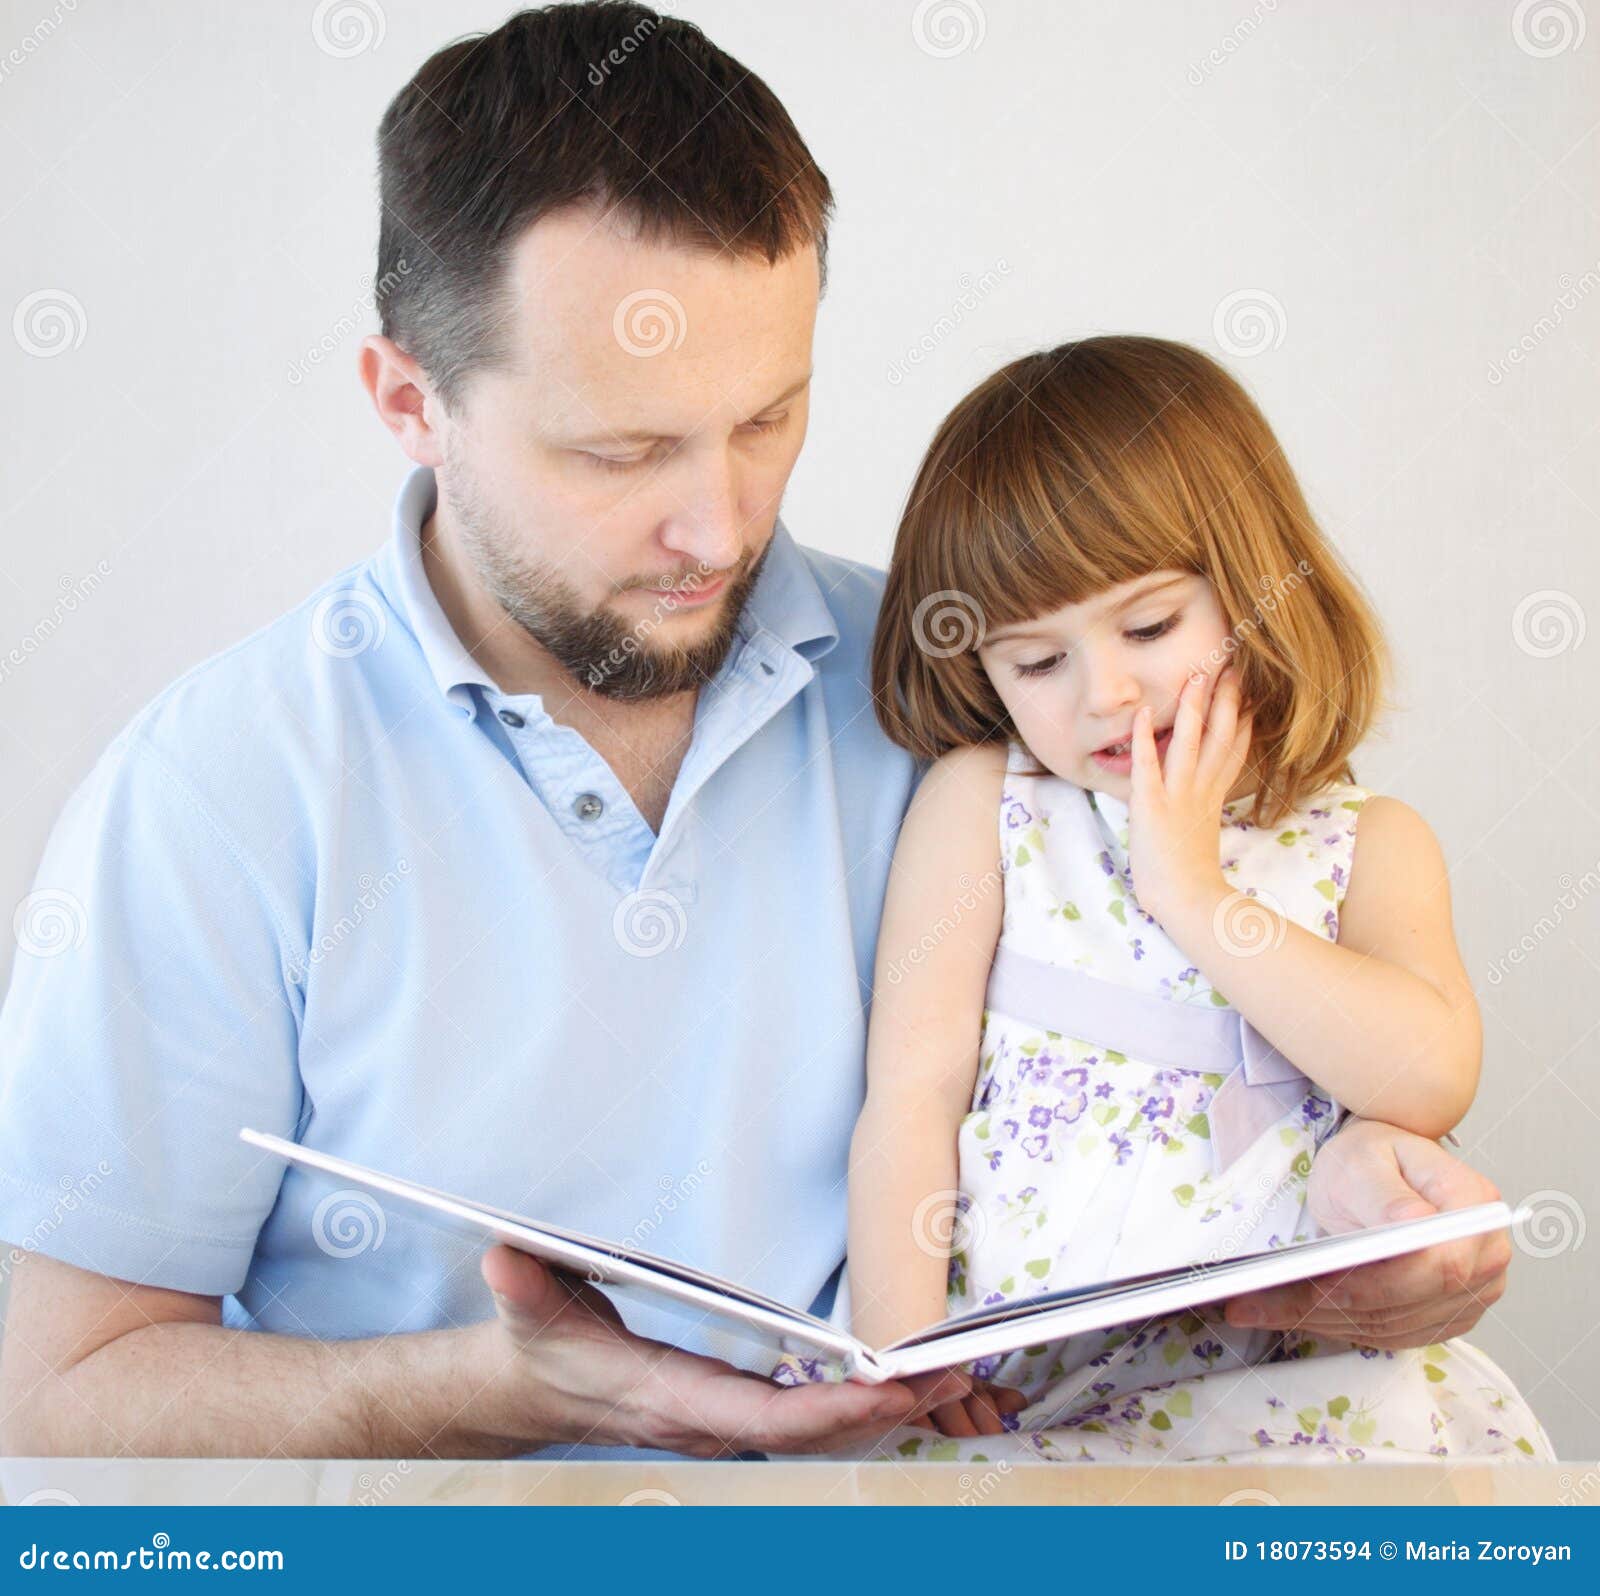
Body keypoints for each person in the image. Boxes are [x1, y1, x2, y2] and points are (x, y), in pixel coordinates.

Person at [0, 8, 1521, 1463]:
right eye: (624, 449)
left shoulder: (976, 688)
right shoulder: (214, 797)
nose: (718, 526)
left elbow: (1260, 1055)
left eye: (767, 419)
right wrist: (490, 1388)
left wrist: (1400, 1249)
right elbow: (54, 1395)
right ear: (410, 399)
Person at [775, 336, 1554, 1463]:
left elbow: (1428, 1079)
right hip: (1017, 1386)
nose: (1106, 692)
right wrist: (903, 1348)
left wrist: (1187, 889)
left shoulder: (1365, 845)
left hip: (1274, 1389)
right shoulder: (987, 807)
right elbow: (911, 1089)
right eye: (1034, 664)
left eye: (1146, 628)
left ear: (1250, 587)